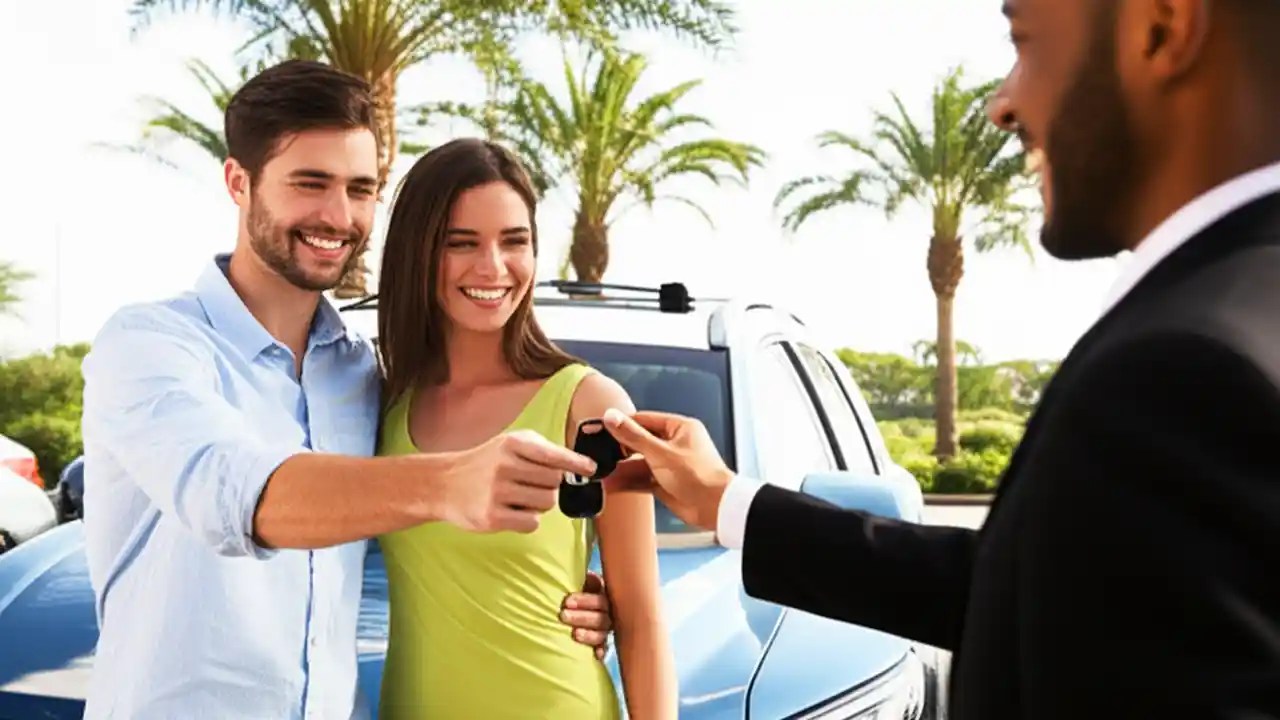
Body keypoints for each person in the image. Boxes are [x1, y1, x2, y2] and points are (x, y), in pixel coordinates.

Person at [600, 0, 1280, 717]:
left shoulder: (1183, 372)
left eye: (1025, 41)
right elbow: (1037, 601)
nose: (1002, 105)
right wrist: (729, 501)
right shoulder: (1237, 326)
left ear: (1161, 26)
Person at [78, 60, 615, 720]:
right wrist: (450, 482)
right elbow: (231, 491)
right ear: (237, 182)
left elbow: (418, 551)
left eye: (361, 189)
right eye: (311, 182)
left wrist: (571, 588)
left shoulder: (367, 379)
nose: (338, 215)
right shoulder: (148, 346)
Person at [370, 137, 678, 719]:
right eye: (461, 244)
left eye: (515, 242)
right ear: (417, 253)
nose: (493, 267)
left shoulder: (588, 407)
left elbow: (640, 616)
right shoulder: (384, 404)